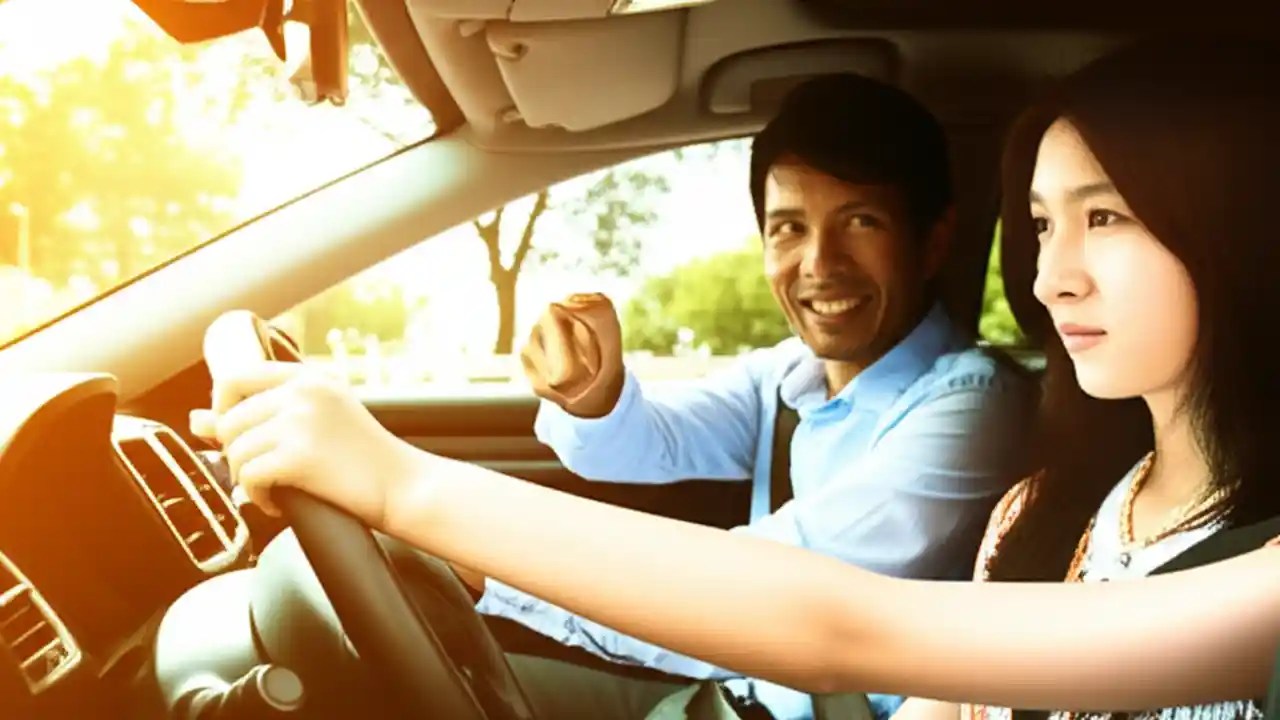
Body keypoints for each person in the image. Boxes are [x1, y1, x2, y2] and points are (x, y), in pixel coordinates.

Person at [195, 35, 1280, 719]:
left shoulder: (1249, 579)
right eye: (1041, 226)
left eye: (1106, 218)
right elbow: (937, 698)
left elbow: (840, 628)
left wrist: (407, 492)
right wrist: (593, 396)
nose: (1050, 277)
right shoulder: (1041, 512)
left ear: (1232, 224)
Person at [461, 72, 1033, 720]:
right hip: (730, 699)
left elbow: (764, 600)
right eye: (789, 228)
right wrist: (593, 390)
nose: (819, 263)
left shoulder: (976, 411)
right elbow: (647, 442)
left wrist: (489, 562)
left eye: (861, 222)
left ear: (930, 244)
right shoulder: (787, 377)